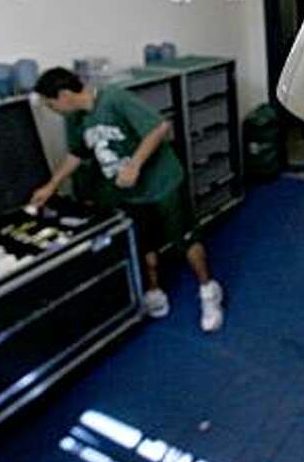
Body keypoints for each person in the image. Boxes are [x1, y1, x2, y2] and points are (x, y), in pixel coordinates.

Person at [28, 67, 224, 332]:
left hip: (162, 183)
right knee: (144, 244)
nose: (53, 111)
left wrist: (135, 165)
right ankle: (154, 292)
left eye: (52, 105)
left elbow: (159, 127)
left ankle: (208, 291)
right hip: (130, 194)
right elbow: (78, 154)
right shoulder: (74, 119)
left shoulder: (114, 98)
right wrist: (51, 186)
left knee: (185, 239)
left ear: (64, 95)